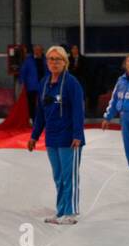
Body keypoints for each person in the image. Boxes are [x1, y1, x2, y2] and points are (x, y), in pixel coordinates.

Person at [27, 45, 86, 224]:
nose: (54, 62)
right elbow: (40, 113)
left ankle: (71, 213)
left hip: (69, 138)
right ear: (47, 62)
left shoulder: (71, 83)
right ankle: (60, 212)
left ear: (65, 62)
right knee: (58, 177)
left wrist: (77, 134)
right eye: (51, 59)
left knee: (70, 177)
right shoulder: (44, 83)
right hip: (52, 138)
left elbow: (78, 110)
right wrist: (34, 136)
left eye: (58, 59)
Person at [20, 43, 44, 120]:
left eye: (39, 50)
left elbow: (49, 71)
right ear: (33, 51)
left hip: (44, 85)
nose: (37, 51)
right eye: (36, 50)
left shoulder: (45, 60)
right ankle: (33, 119)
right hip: (31, 86)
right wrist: (22, 82)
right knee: (31, 104)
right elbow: (23, 71)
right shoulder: (28, 60)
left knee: (44, 103)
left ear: (41, 51)